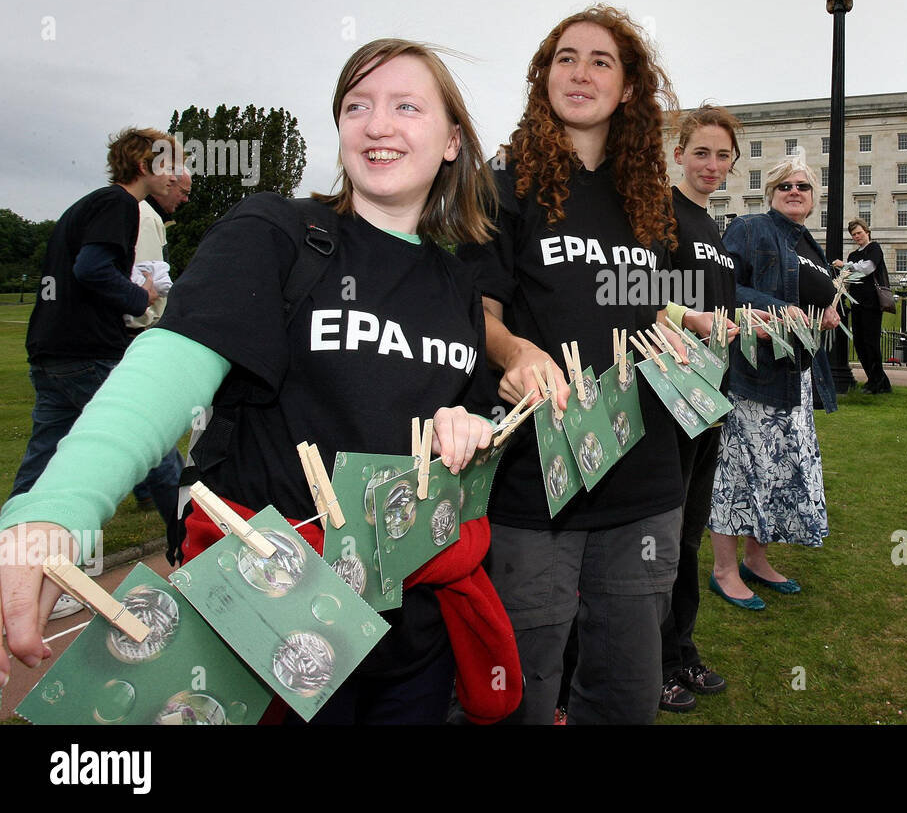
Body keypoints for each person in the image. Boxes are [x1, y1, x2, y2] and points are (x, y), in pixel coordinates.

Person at [0, 39, 522, 725]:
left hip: (412, 642)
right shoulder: (277, 231)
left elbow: (468, 420)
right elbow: (173, 361)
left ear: (452, 141)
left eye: (406, 106)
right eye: (356, 105)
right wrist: (60, 507)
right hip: (270, 627)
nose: (377, 123)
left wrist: (472, 427)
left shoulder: (459, 285)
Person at [456, 5, 685, 725]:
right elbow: (478, 315)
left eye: (600, 61)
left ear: (627, 90)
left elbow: (649, 310)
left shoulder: (648, 201)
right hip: (535, 482)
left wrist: (678, 335)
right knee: (519, 687)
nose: (579, 72)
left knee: (625, 693)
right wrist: (518, 352)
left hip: (644, 482)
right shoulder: (504, 185)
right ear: (543, 77)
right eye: (564, 57)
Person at [9, 128, 174, 503]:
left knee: (42, 463)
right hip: (88, 351)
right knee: (150, 442)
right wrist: (141, 295)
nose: (172, 174)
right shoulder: (120, 204)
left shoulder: (89, 205)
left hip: (52, 350)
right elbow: (92, 269)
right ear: (143, 165)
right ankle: (186, 543)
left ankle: (11, 549)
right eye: (167, 164)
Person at [709, 155, 839, 611]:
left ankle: (756, 560)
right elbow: (721, 288)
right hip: (752, 375)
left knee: (778, 475)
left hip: (795, 379)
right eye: (784, 185)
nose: (794, 191)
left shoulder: (807, 243)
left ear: (813, 197)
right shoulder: (748, 229)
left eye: (802, 186)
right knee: (738, 473)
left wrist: (827, 313)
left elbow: (814, 299)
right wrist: (777, 308)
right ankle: (724, 571)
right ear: (771, 193)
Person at [657, 105, 742, 713]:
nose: (711, 165)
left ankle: (683, 650)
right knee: (660, 540)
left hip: (711, 398)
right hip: (669, 395)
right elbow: (634, 291)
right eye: (702, 153)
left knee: (689, 534)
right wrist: (692, 317)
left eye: (722, 155)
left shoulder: (715, 230)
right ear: (679, 153)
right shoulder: (660, 214)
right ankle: (655, 663)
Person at [126, 169, 193, 561]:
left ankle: (146, 491)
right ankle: (185, 538)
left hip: (116, 336)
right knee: (158, 439)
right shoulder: (145, 217)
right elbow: (147, 278)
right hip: (139, 333)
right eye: (182, 191)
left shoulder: (131, 213)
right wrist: (148, 325)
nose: (183, 200)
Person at [836, 219, 890, 393]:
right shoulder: (853, 256)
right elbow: (848, 278)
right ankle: (877, 380)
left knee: (871, 342)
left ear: (867, 231)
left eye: (859, 233)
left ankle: (877, 382)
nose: (857, 236)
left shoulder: (874, 249)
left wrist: (845, 265)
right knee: (859, 343)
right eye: (854, 235)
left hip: (872, 303)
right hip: (857, 303)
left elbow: (867, 268)